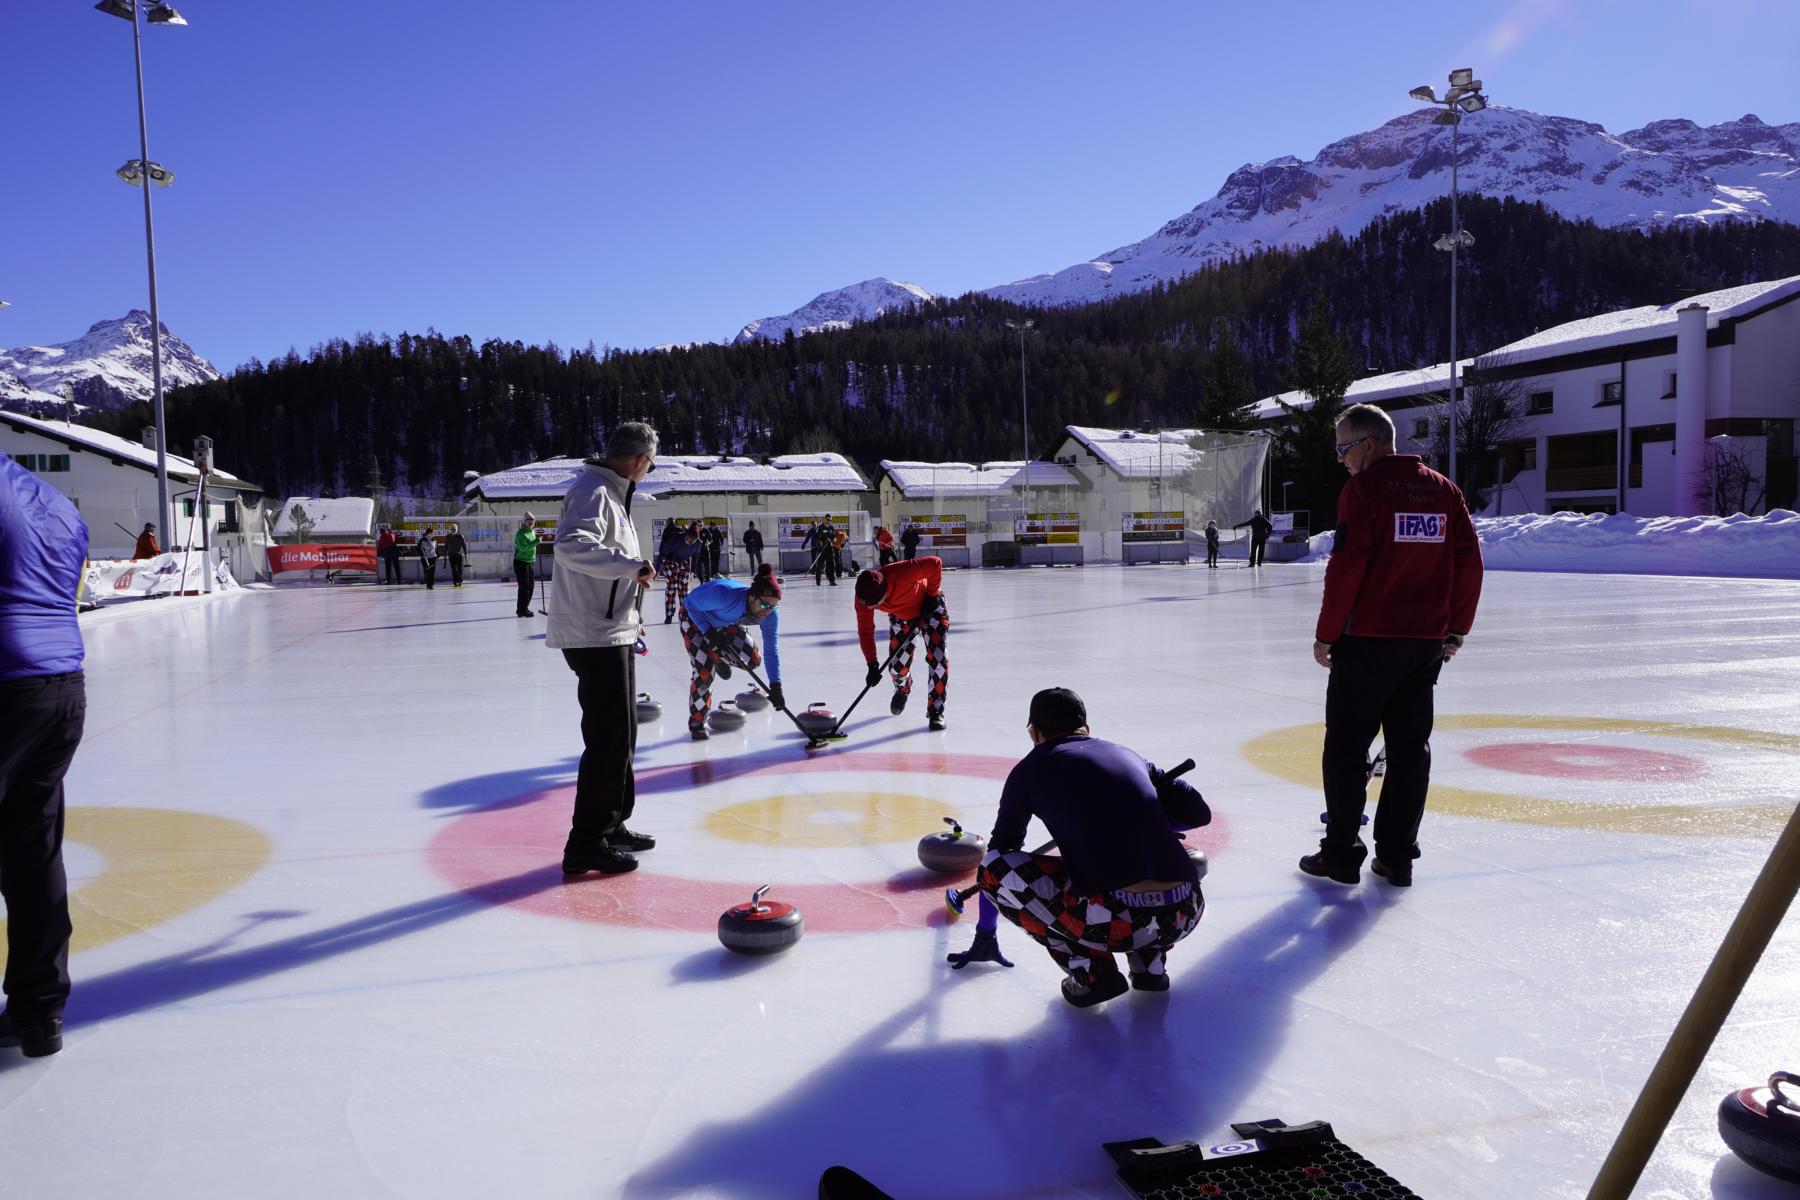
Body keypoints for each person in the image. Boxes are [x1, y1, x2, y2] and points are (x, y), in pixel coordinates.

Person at [1300, 403, 1483, 889]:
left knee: (1345, 748)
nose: (1340, 458)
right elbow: (1470, 566)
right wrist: (1455, 630)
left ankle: (1341, 852)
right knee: (1409, 750)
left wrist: (1326, 634)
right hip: (1424, 645)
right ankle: (1396, 856)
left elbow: (1346, 568)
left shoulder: (1364, 491)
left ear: (1370, 444)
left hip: (1367, 644)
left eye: (1344, 447)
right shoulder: (1444, 491)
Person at [951, 688, 1207, 1008]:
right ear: (1086, 727)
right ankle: (1150, 966)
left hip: (1115, 922)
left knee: (994, 870)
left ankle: (1090, 972)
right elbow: (1198, 813)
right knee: (1146, 867)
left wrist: (986, 934)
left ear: (1035, 732)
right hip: (1184, 913)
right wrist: (1141, 819)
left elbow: (998, 857)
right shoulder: (1127, 755)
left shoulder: (1031, 768)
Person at [0, 453, 89, 1057]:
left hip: (5, 680)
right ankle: (38, 1013)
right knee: (33, 851)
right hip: (60, 686)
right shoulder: (56, 502)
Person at [546, 421, 660, 876]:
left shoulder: (611, 491)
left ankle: (612, 824)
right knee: (608, 739)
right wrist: (631, 566)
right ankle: (586, 843)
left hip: (613, 628)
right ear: (638, 460)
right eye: (650, 463)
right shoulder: (593, 491)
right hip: (592, 633)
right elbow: (571, 546)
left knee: (623, 734)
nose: (648, 469)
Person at [678, 563, 785, 740]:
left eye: (773, 607)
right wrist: (708, 632)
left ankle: (718, 656)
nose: (767, 612)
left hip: (724, 623)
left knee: (752, 660)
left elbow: (771, 650)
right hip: (694, 618)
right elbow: (690, 604)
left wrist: (776, 686)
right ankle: (697, 723)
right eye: (765, 605)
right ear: (753, 596)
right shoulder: (723, 594)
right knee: (705, 672)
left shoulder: (770, 615)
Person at [853, 556, 949, 731]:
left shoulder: (901, 572)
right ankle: (903, 689)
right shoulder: (863, 598)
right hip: (902, 616)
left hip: (930, 607)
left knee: (938, 660)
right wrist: (871, 663)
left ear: (884, 593)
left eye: (873, 605)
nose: (867, 609)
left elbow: (935, 563)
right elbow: (865, 631)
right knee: (897, 667)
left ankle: (936, 711)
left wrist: (932, 595)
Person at [662, 524, 698, 623]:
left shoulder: (697, 543)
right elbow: (663, 551)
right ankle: (669, 615)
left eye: (694, 540)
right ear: (686, 535)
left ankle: (684, 614)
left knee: (684, 591)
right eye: (690, 538)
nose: (691, 541)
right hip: (671, 563)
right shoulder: (677, 538)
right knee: (671, 589)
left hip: (684, 564)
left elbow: (695, 557)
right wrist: (657, 569)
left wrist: (692, 571)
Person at [512, 513, 539, 617]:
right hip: (520, 562)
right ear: (524, 521)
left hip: (529, 562)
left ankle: (524, 607)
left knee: (531, 586)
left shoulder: (532, 532)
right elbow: (523, 548)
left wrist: (533, 558)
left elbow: (532, 547)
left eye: (532, 520)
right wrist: (536, 542)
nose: (531, 522)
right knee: (524, 587)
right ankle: (521, 610)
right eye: (528, 520)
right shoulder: (520, 534)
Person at [807, 520, 839, 586]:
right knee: (820, 566)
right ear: (825, 520)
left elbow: (834, 538)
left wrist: (833, 540)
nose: (828, 521)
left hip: (830, 549)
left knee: (831, 566)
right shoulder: (821, 528)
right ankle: (818, 581)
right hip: (822, 549)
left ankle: (832, 581)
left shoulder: (831, 528)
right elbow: (817, 538)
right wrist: (821, 543)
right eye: (827, 520)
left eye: (830, 520)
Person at [444, 522, 469, 588]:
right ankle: (455, 581)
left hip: (459, 555)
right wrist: (444, 555)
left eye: (454, 529)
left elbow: (464, 545)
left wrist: (466, 553)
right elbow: (446, 546)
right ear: (450, 529)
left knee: (459, 569)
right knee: (453, 569)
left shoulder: (460, 536)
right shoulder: (447, 537)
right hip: (451, 555)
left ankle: (460, 581)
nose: (453, 530)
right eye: (452, 529)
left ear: (457, 529)